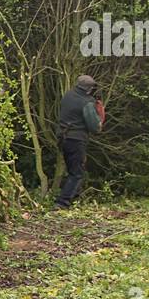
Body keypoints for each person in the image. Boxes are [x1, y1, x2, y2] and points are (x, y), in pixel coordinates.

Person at [54, 74, 104, 208]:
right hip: (76, 140)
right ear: (89, 88)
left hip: (63, 138)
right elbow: (94, 127)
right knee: (77, 173)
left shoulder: (68, 96)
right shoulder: (86, 102)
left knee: (72, 171)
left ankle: (73, 200)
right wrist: (99, 115)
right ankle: (62, 203)